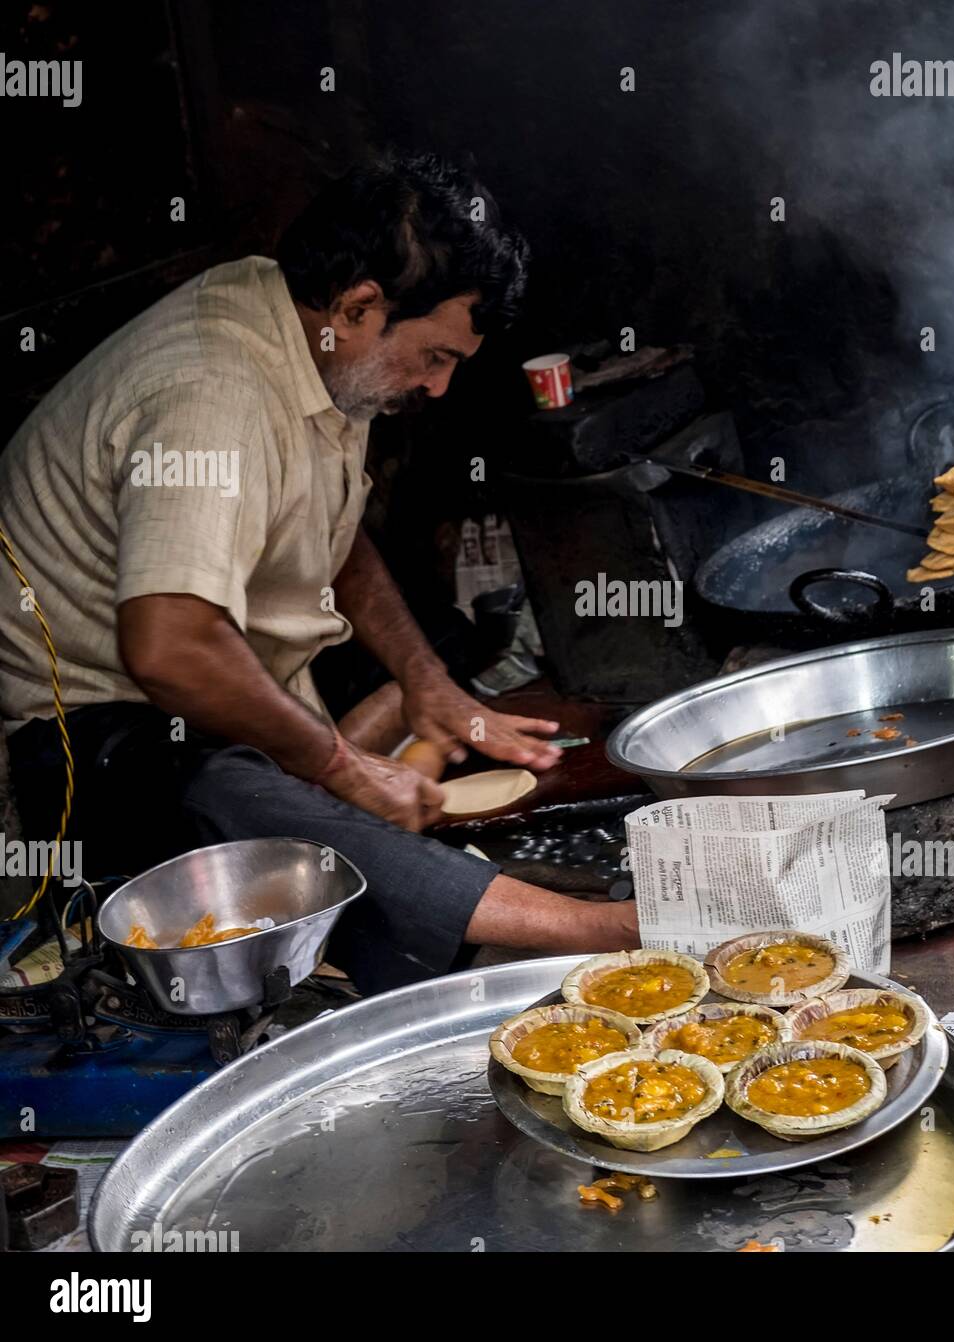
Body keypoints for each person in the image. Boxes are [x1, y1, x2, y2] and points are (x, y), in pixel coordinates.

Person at [0, 153, 638, 994]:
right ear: (360, 304)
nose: (440, 387)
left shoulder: (306, 335)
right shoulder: (210, 399)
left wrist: (425, 683)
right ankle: (593, 932)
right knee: (225, 793)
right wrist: (343, 767)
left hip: (234, 666)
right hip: (92, 744)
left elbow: (331, 526)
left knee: (436, 644)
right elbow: (170, 648)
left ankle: (386, 835)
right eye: (436, 355)